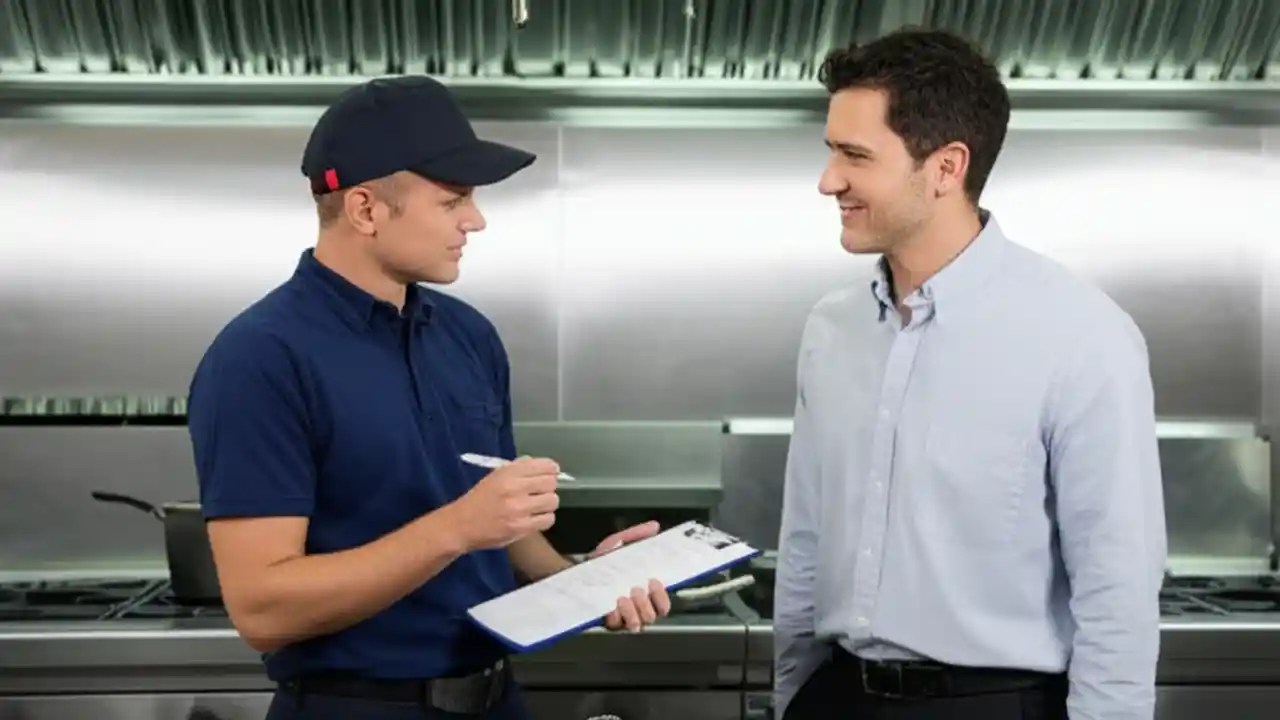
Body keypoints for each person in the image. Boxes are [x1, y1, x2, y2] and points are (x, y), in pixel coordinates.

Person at [186, 75, 671, 720]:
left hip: (498, 701)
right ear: (364, 209)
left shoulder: (468, 336)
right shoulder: (260, 358)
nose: (476, 220)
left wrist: (584, 582)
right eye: (453, 201)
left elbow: (497, 527)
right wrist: (457, 528)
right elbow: (263, 611)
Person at [773, 29, 1167, 720]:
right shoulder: (830, 329)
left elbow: (1118, 588)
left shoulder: (1082, 335)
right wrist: (792, 700)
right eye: (831, 150)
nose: (828, 179)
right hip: (834, 698)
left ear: (946, 167)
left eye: (855, 156)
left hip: (989, 705)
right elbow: (805, 542)